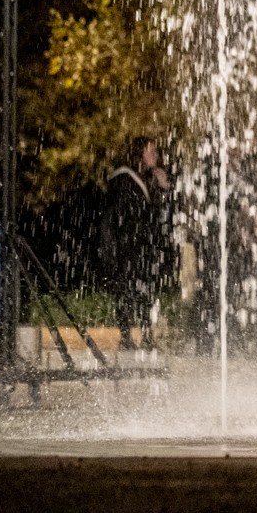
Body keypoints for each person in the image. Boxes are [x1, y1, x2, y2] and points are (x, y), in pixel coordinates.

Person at [101, 136, 172, 351]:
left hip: (144, 247)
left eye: (155, 152)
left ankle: (147, 334)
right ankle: (126, 336)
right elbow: (131, 215)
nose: (155, 156)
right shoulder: (123, 178)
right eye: (149, 152)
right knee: (126, 292)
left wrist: (163, 188)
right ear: (138, 154)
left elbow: (158, 215)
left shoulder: (149, 177)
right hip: (127, 246)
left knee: (147, 291)